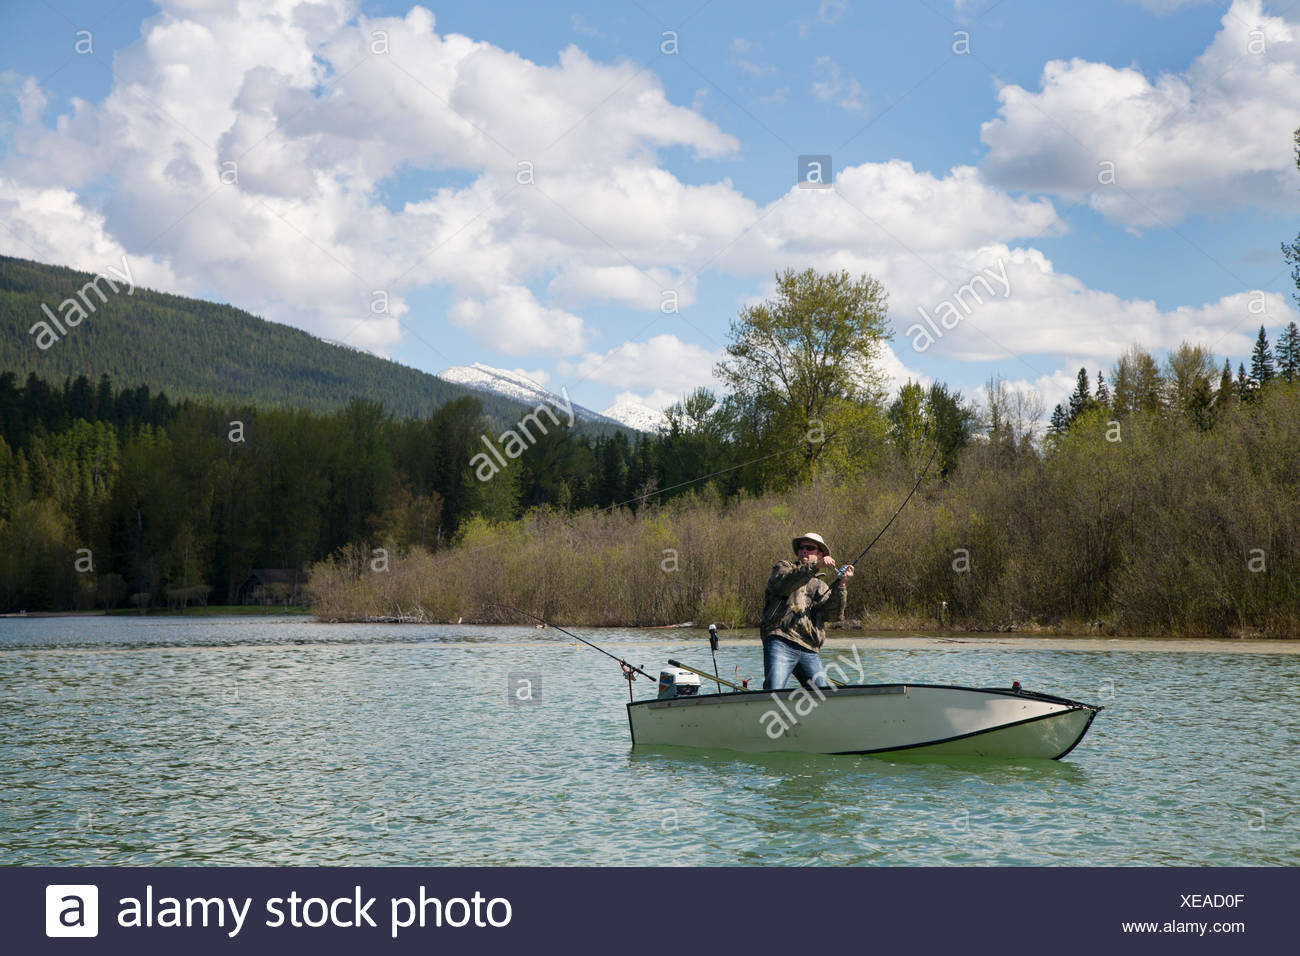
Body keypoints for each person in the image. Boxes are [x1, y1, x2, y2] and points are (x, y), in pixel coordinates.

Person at [759, 532, 854, 690]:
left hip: (808, 647)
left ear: (820, 554)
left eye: (809, 548)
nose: (803, 551)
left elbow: (832, 614)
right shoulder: (783, 567)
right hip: (780, 640)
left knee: (821, 693)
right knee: (774, 688)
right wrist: (814, 566)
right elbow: (783, 585)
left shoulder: (819, 585)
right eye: (801, 548)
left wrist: (842, 584)